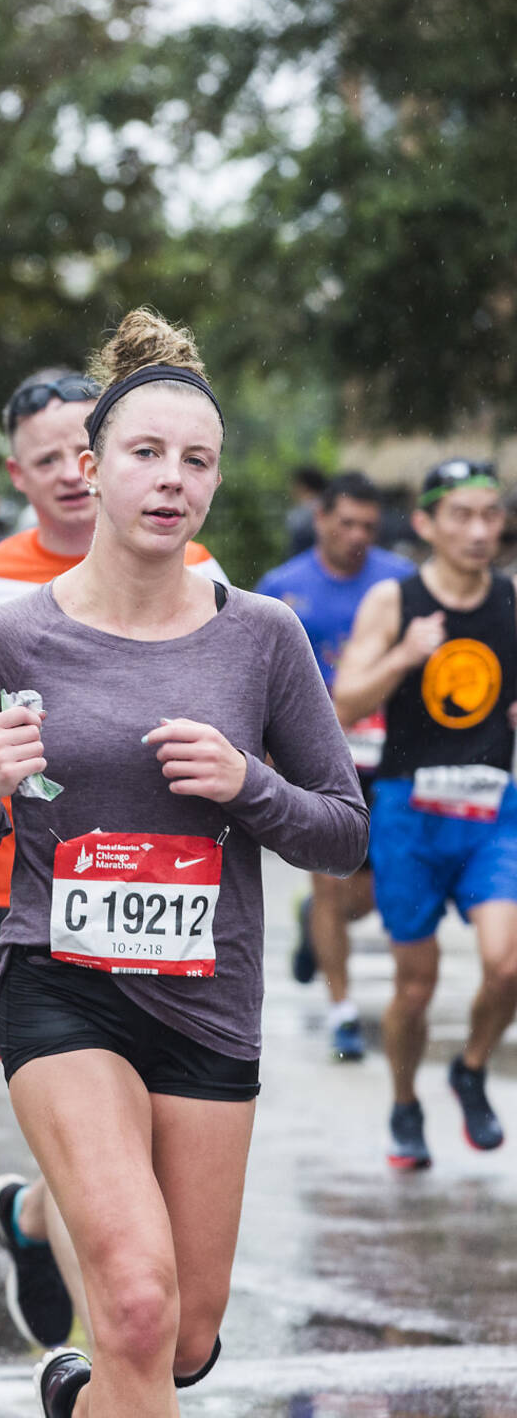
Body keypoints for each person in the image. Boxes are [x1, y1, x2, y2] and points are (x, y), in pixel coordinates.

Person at [0, 311, 366, 1417]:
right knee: (128, 1301)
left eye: (197, 461)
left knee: (180, 1340)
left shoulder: (261, 637)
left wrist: (247, 785)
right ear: (92, 468)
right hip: (57, 982)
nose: (171, 481)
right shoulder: (5, 641)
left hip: (209, 998)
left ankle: (89, 1394)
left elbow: (344, 830)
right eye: (146, 454)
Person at [0, 365, 226, 1351]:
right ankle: (105, 1362)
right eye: (46, 459)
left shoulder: (202, 572)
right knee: (110, 1175)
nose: (70, 476)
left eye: (82, 451)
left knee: (137, 1174)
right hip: (25, 901)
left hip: (171, 905)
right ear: (27, 471)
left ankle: (35, 1220)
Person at [333, 457, 517, 1168]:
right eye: (462, 516)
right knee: (416, 986)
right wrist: (405, 656)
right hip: (408, 810)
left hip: (493, 809)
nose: (478, 531)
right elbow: (344, 702)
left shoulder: (508, 601)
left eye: (490, 515)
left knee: (507, 966)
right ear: (426, 523)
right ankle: (405, 1106)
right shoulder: (395, 601)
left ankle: (470, 1068)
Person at [256, 472, 414, 1060]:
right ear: (321, 519)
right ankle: (343, 1010)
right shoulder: (284, 587)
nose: (356, 536)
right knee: (329, 879)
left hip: (390, 754)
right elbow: (264, 679)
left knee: (363, 897)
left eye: (368, 527)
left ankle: (314, 923)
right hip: (316, 754)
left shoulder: (399, 580)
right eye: (345, 523)